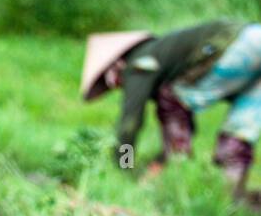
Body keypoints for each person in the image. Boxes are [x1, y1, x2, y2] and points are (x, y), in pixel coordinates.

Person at [80, 20, 261, 200]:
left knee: (170, 98)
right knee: (239, 132)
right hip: (252, 37)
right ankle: (230, 200)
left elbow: (130, 122)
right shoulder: (161, 51)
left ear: (115, 66)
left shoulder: (137, 63)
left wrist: (123, 165)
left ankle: (177, 166)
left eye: (112, 82)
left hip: (238, 44)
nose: (118, 86)